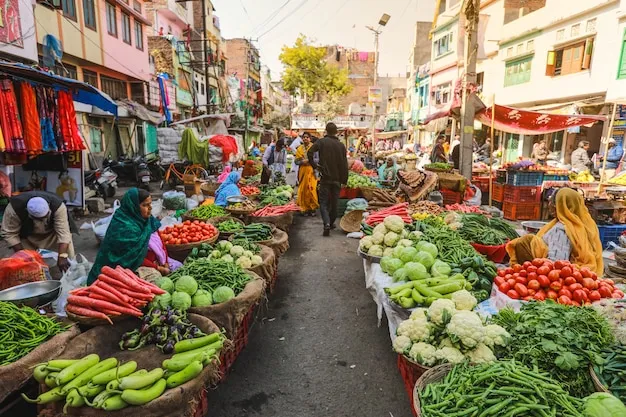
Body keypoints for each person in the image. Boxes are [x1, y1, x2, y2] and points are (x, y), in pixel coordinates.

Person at [506, 187, 603, 274]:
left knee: (524, 241)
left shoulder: (561, 229)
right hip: (582, 271)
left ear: (559, 205)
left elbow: (557, 262)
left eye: (552, 202)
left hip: (562, 275)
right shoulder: (587, 224)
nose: (550, 205)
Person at [87, 188, 163, 284]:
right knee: (154, 280)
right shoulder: (123, 226)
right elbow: (132, 257)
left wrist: (164, 261)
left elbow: (159, 238)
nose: (150, 208)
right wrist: (158, 268)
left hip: (138, 263)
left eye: (150, 204)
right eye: (145, 205)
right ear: (133, 206)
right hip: (114, 271)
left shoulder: (145, 219)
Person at [1, 191, 76, 272]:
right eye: (38, 219)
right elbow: (9, 233)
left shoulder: (58, 206)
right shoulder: (14, 208)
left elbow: (64, 233)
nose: (41, 221)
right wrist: (23, 254)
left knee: (68, 262)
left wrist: (62, 256)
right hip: (28, 237)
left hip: (53, 234)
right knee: (29, 267)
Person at [308, 122, 348, 236]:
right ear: (336, 132)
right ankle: (330, 223)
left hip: (325, 178)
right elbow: (344, 164)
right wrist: (344, 180)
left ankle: (326, 223)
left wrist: (315, 166)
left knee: (324, 202)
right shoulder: (341, 145)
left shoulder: (321, 142)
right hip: (337, 179)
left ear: (326, 130)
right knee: (334, 203)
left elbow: (310, 152)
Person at [295, 133, 319, 216]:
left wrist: (309, 161)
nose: (305, 139)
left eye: (307, 137)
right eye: (304, 137)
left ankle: (312, 208)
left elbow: (318, 159)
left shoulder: (314, 147)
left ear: (310, 138)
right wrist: (302, 162)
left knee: (311, 189)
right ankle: (304, 208)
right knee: (303, 190)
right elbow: (296, 161)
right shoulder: (299, 149)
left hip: (312, 170)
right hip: (303, 171)